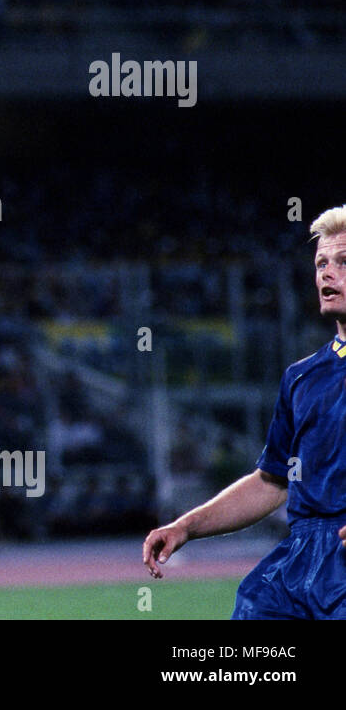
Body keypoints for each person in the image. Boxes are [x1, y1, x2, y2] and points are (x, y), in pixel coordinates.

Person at [143, 205, 346, 619]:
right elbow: (272, 482)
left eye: (343, 261)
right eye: (321, 262)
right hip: (300, 560)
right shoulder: (301, 378)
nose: (327, 273)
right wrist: (185, 527)